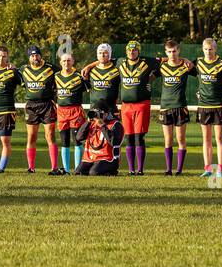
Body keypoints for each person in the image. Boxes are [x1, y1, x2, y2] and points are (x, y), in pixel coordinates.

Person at [116, 40, 162, 175]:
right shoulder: (120, 62)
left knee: (139, 137)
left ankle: (140, 170)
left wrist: (151, 78)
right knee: (129, 138)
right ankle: (131, 170)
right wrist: (88, 67)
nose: (132, 52)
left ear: (139, 51)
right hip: (126, 106)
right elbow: (103, 61)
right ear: (126, 51)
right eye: (129, 50)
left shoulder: (147, 61)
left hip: (142, 104)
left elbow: (166, 61)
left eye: (134, 50)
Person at [156, 40, 196, 175]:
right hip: (165, 106)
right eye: (169, 51)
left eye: (174, 51)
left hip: (180, 106)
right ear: (165, 52)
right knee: (168, 140)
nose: (172, 54)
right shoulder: (162, 67)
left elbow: (202, 75)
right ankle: (168, 169)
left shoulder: (186, 66)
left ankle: (179, 170)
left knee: (180, 139)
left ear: (178, 51)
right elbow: (148, 75)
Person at [193, 38, 222, 178]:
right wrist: (199, 92)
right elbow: (183, 65)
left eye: (211, 49)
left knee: (219, 138)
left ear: (215, 49)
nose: (208, 52)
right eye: (206, 49)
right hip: (203, 105)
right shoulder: (198, 62)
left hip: (218, 105)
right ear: (202, 49)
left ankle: (220, 169)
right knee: (206, 138)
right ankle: (208, 168)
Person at [19, 46, 58, 174]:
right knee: (31, 137)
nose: (35, 58)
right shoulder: (23, 70)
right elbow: (12, 75)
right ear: (29, 57)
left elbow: (63, 75)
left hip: (47, 105)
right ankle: (31, 167)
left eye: (37, 55)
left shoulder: (51, 68)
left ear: (41, 56)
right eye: (32, 56)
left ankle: (54, 167)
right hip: (31, 106)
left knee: (50, 136)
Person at [53, 52, 87, 175]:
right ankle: (66, 170)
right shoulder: (56, 76)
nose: (66, 63)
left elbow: (88, 87)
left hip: (75, 111)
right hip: (61, 111)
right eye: (64, 61)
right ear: (60, 62)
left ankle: (78, 169)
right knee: (64, 141)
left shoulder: (79, 76)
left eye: (68, 60)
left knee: (77, 140)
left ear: (73, 62)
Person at [74, 100, 124, 175]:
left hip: (108, 159)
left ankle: (112, 171)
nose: (96, 116)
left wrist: (103, 126)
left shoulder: (115, 124)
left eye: (99, 114)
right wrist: (88, 122)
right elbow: (79, 137)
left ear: (106, 114)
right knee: (78, 172)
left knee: (94, 172)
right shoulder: (91, 124)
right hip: (90, 158)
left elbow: (114, 142)